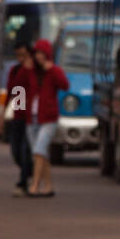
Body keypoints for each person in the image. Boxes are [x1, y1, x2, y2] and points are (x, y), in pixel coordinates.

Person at [26, 38, 69, 197]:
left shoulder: (54, 70)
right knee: (41, 153)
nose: (38, 56)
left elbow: (65, 85)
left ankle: (35, 185)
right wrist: (18, 111)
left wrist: (53, 70)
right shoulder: (31, 71)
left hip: (48, 118)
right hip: (32, 117)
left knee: (39, 151)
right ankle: (49, 186)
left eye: (41, 53)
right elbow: (19, 88)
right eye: (36, 53)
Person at [6, 41, 35, 196]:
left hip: (31, 117)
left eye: (24, 55)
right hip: (18, 114)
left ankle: (24, 179)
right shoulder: (16, 70)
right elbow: (13, 89)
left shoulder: (34, 71)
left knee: (26, 150)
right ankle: (26, 173)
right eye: (18, 56)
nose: (21, 59)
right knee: (15, 150)